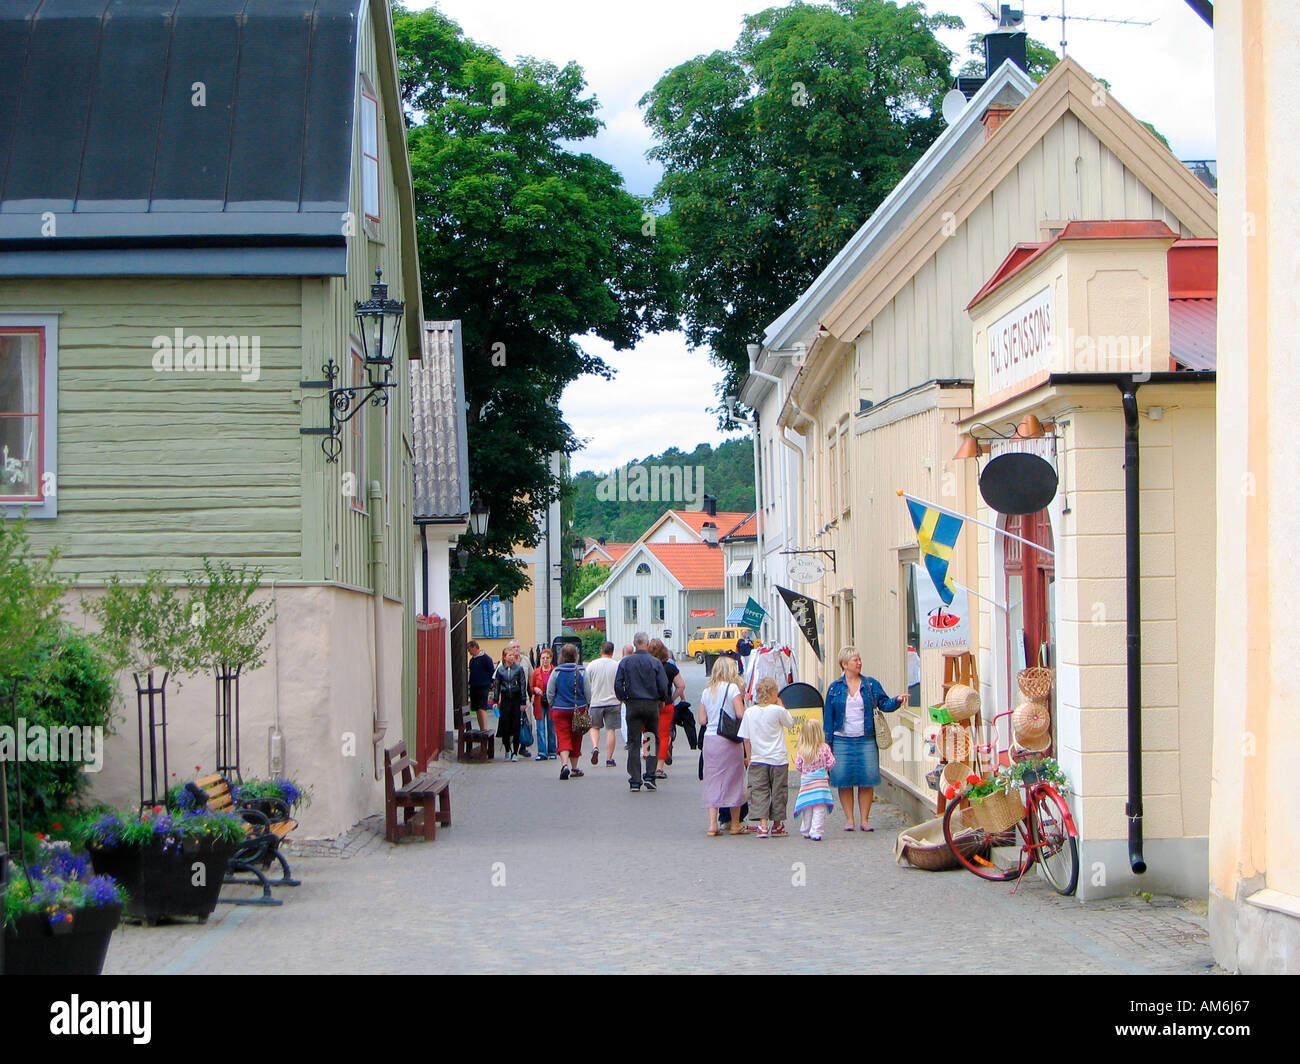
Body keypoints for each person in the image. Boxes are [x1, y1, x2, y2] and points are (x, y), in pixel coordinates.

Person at [823, 646, 905, 831]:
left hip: (866, 738)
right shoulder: (835, 688)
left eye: (859, 659)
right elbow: (828, 716)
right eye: (855, 660)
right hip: (842, 739)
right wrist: (827, 744)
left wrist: (897, 701)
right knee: (844, 780)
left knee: (867, 779)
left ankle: (865, 820)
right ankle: (850, 819)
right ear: (844, 664)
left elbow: (884, 703)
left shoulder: (870, 684)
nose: (859, 663)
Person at [738, 677, 795, 838]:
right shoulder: (778, 711)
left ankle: (762, 825)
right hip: (778, 759)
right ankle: (777, 825)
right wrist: (781, 705)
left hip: (758, 758)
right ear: (772, 694)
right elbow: (790, 723)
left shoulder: (749, 712)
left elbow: (745, 738)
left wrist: (748, 757)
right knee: (778, 791)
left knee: (759, 791)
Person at [614, 632, 669, 792]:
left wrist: (624, 698)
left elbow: (618, 683)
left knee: (634, 741)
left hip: (633, 704)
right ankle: (650, 775)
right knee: (651, 738)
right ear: (646, 644)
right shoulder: (655, 662)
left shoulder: (626, 662)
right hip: (651, 705)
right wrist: (661, 699)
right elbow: (663, 685)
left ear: (634, 643)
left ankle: (635, 779)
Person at [698, 655, 747, 835]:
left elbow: (702, 720)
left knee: (713, 780)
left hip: (710, 740)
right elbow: (740, 714)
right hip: (729, 740)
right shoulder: (732, 688)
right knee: (734, 779)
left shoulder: (707, 691)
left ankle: (712, 825)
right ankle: (735, 824)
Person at [546, 644, 589, 780]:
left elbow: (550, 692)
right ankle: (575, 768)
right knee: (577, 737)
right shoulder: (581, 671)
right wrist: (587, 705)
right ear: (575, 655)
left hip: (560, 709)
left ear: (561, 656)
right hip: (579, 708)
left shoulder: (557, 671)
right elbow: (588, 691)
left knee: (563, 736)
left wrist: (553, 704)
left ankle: (564, 765)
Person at [793, 718, 836, 841]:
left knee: (807, 806)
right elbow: (831, 763)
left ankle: (805, 829)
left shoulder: (802, 749)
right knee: (819, 807)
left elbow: (798, 765)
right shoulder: (824, 748)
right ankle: (816, 831)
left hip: (806, 782)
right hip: (821, 782)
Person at [648, 638, 685, 778]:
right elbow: (681, 685)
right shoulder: (670, 668)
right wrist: (672, 698)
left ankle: (650, 765)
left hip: (649, 705)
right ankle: (659, 767)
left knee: (650, 735)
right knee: (664, 736)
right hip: (666, 705)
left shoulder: (647, 667)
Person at [584, 641, 621, 767]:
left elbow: (586, 684)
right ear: (612, 651)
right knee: (611, 730)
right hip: (613, 701)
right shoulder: (617, 665)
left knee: (594, 727)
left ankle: (595, 746)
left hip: (596, 701)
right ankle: (609, 759)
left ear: (601, 651)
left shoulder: (592, 665)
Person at [492, 646, 531, 762]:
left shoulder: (518, 669)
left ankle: (515, 751)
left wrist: (523, 702)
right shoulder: (500, 670)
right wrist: (495, 701)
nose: (512, 657)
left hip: (516, 699)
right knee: (505, 726)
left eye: (513, 655)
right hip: (505, 700)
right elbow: (497, 686)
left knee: (516, 726)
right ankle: (507, 750)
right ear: (504, 657)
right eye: (509, 655)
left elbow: (523, 685)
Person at [530, 648, 557, 761]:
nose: (545, 660)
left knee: (551, 727)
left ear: (551, 659)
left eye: (547, 658)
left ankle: (552, 751)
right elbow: (530, 687)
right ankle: (542, 752)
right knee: (540, 728)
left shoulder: (555, 671)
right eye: (543, 658)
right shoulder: (536, 672)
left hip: (551, 702)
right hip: (539, 701)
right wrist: (535, 689)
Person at [468, 641, 495, 730]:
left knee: (482, 708)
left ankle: (484, 729)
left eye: (469, 649)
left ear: (475, 647)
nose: (468, 651)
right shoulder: (472, 660)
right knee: (476, 709)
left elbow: (492, 671)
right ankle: (481, 728)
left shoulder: (486, 659)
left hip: (483, 686)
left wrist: (492, 682)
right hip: (474, 686)